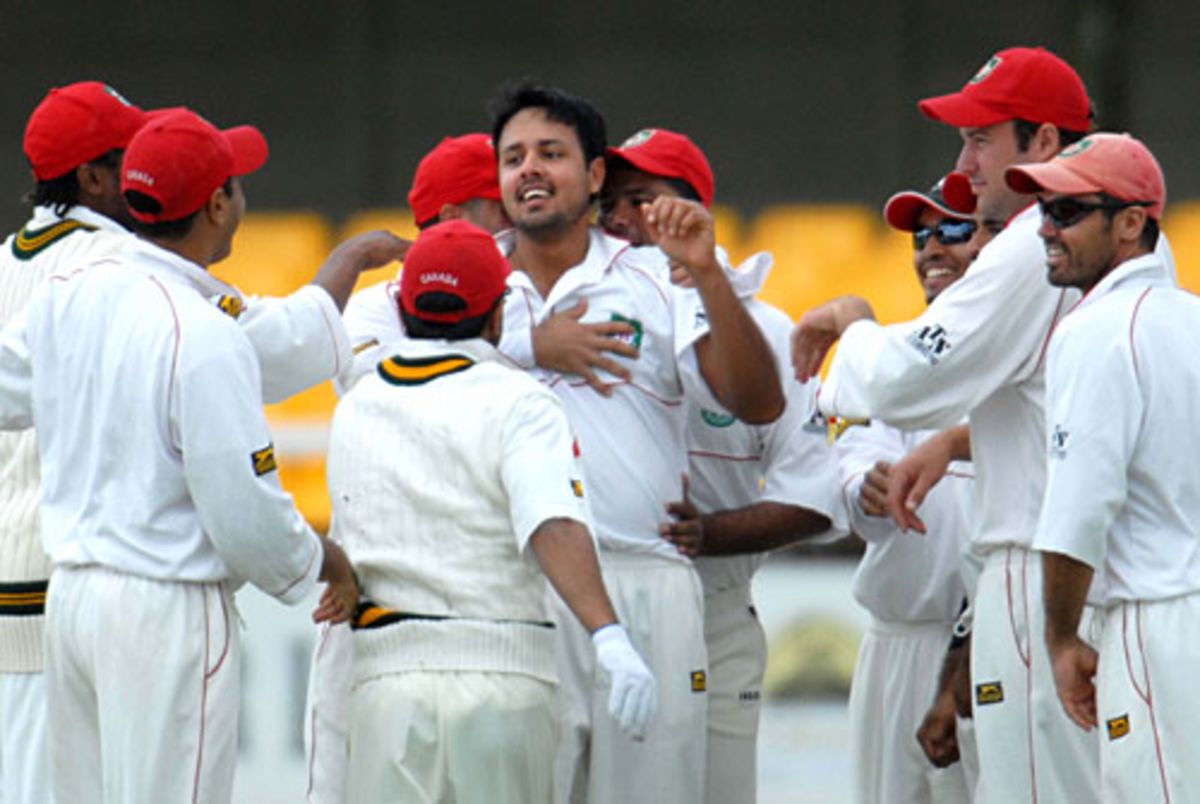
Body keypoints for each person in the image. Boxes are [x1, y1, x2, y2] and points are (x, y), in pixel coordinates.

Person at [789, 46, 1177, 803]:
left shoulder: (1036, 244)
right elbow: (1056, 410)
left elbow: (909, 379)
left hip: (1044, 576)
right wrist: (956, 441)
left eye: (980, 140)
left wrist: (854, 324)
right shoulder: (1129, 285)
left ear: (1043, 145)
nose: (964, 166)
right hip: (1102, 581)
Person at [0, 81, 399, 804]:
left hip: (61, 604)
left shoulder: (54, 286)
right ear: (216, 205)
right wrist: (320, 559)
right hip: (157, 601)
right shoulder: (187, 318)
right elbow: (243, 495)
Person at [491, 80, 783, 804]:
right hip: (519, 584)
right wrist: (531, 342)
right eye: (513, 156)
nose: (529, 169)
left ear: (593, 176)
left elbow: (757, 399)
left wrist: (709, 274)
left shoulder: (658, 277)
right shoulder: (471, 284)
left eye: (551, 154)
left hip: (647, 580)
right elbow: (370, 357)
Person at [328, 219, 655, 804]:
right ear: (498, 313)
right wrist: (609, 635)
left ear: (403, 309)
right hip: (501, 680)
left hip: (385, 683)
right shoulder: (522, 402)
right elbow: (552, 521)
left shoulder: (357, 405)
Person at [600, 127, 847, 804]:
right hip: (600, 608)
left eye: (641, 199)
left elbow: (817, 495)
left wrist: (711, 535)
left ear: (695, 208)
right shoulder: (581, 324)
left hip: (715, 614)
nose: (620, 219)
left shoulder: (770, 332)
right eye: (611, 202)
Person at [306, 131, 513, 803]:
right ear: (454, 219)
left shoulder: (522, 296)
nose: (514, 215)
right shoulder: (373, 305)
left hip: (487, 611)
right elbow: (393, 383)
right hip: (376, 604)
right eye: (498, 202)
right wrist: (542, 346)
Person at [1015, 134, 1197, 803]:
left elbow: (1077, 512)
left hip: (1156, 624)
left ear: (1129, 223)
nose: (1043, 229)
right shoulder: (1193, 319)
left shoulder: (1095, 330)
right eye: (1044, 210)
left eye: (1065, 212)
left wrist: (1061, 639)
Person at [837, 174, 985, 804]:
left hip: (995, 639)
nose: (931, 248)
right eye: (922, 234)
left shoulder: (1032, 354)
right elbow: (851, 469)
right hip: (897, 642)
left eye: (954, 228)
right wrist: (862, 490)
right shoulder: (887, 356)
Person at [334, 132, 510, 395]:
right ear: (452, 218)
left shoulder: (539, 289)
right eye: (505, 209)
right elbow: (387, 403)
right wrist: (532, 348)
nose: (518, 221)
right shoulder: (372, 310)